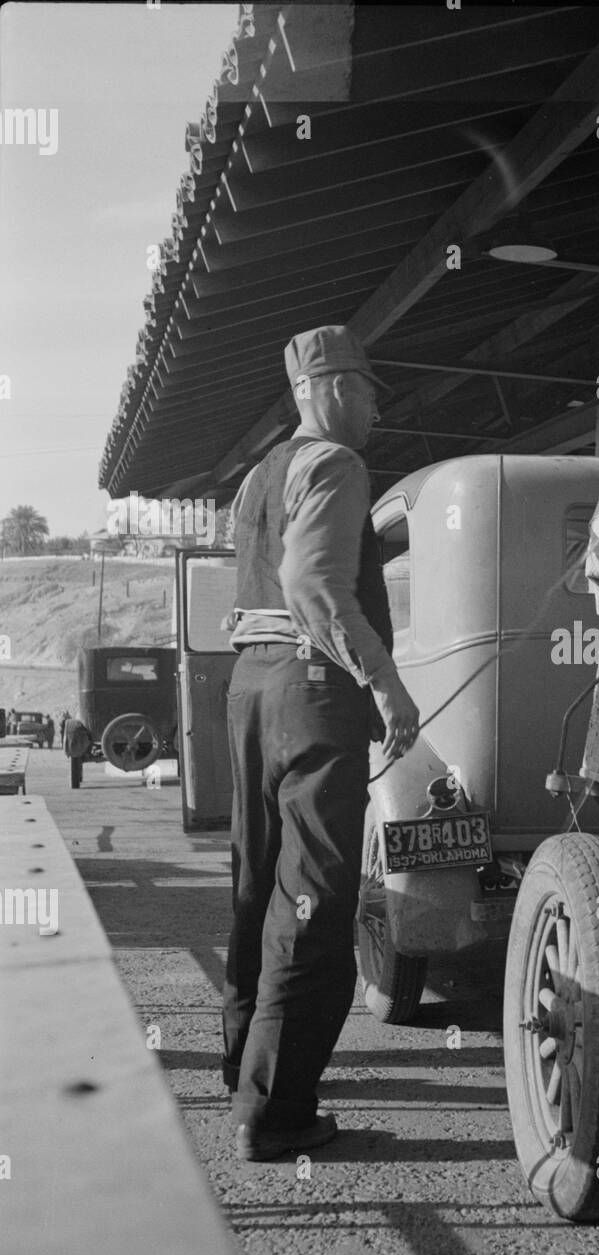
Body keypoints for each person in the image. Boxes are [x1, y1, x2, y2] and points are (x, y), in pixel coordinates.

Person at [222, 325, 420, 1161]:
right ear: (333, 387)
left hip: (251, 689)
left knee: (258, 883)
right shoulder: (335, 463)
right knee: (315, 902)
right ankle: (277, 1116)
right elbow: (315, 586)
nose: (376, 409)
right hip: (310, 694)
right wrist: (385, 684)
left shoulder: (255, 478)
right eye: (371, 391)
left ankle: (244, 1074)